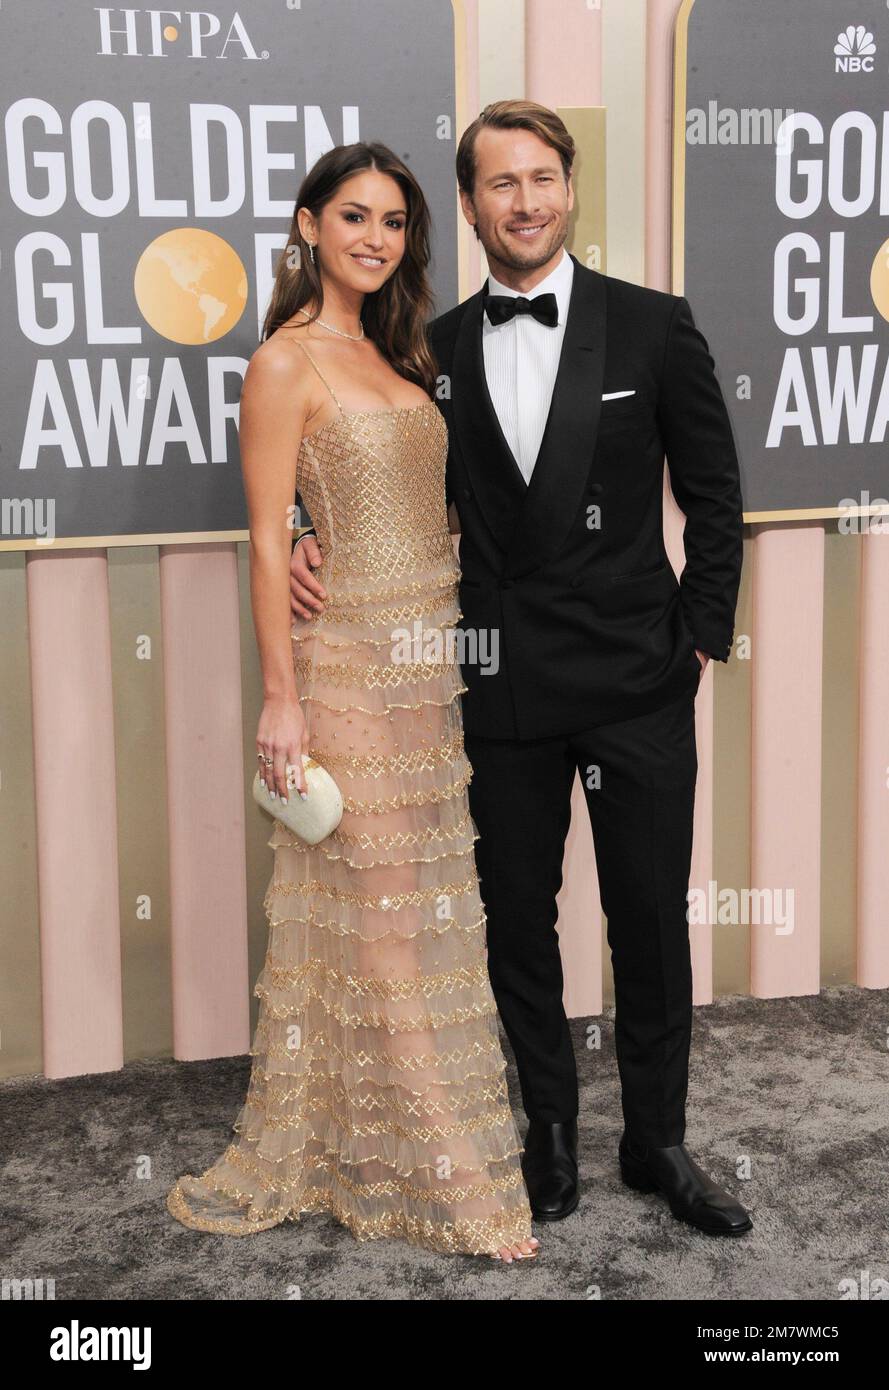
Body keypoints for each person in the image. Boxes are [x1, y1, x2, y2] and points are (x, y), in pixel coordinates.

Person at [291, 102, 752, 1237]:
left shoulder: (650, 326)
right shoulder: (429, 350)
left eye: (542, 177)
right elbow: (388, 488)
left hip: (638, 678)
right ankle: (547, 1133)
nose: (526, 201)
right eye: (501, 183)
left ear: (569, 187)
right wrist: (312, 531)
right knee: (514, 919)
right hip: (496, 685)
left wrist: (697, 636)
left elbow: (716, 495)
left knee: (647, 918)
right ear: (470, 203)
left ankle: (657, 1142)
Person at [167, 141, 538, 1263]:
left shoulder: (402, 355)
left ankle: (365, 1141)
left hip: (428, 672)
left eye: (392, 222)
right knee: (382, 924)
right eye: (353, 217)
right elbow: (264, 536)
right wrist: (282, 699)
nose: (373, 238)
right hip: (345, 672)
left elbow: (417, 508)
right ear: (308, 226)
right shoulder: (285, 362)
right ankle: (457, 1173)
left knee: (419, 917)